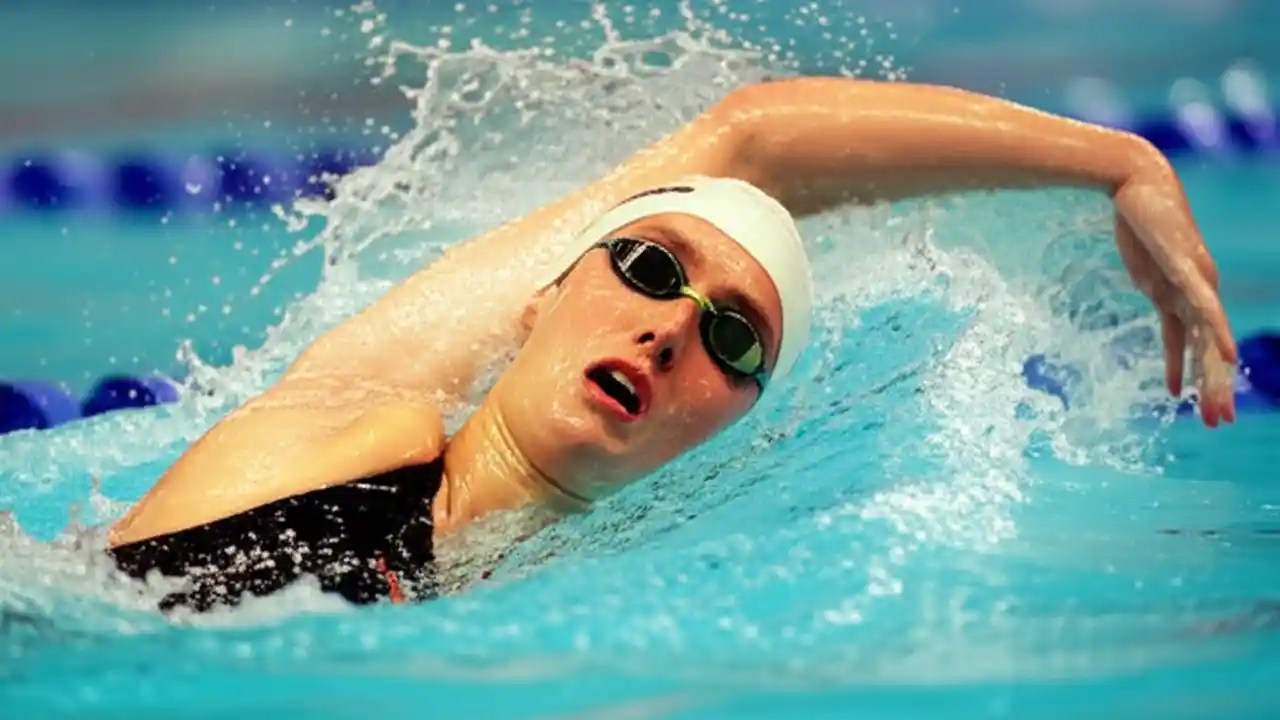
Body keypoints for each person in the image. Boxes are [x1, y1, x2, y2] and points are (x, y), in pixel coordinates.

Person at [105, 76, 1237, 611]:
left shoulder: (558, 597)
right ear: (540, 300)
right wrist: (1118, 162)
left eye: (732, 336)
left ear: (730, 419)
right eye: (646, 267)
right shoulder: (362, 416)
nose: (670, 327)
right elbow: (748, 140)